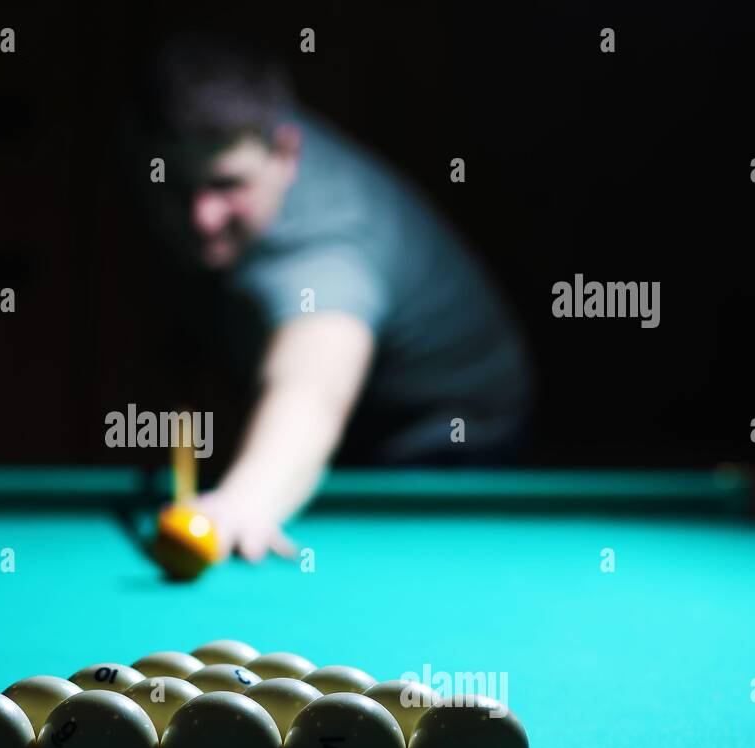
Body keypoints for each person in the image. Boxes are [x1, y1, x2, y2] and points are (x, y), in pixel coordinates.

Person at [131, 36, 533, 562]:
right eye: (176, 187)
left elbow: (313, 389)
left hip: (448, 425)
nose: (200, 217)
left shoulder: (328, 240)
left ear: (286, 154)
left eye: (227, 184)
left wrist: (245, 500)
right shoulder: (180, 150)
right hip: (363, 425)